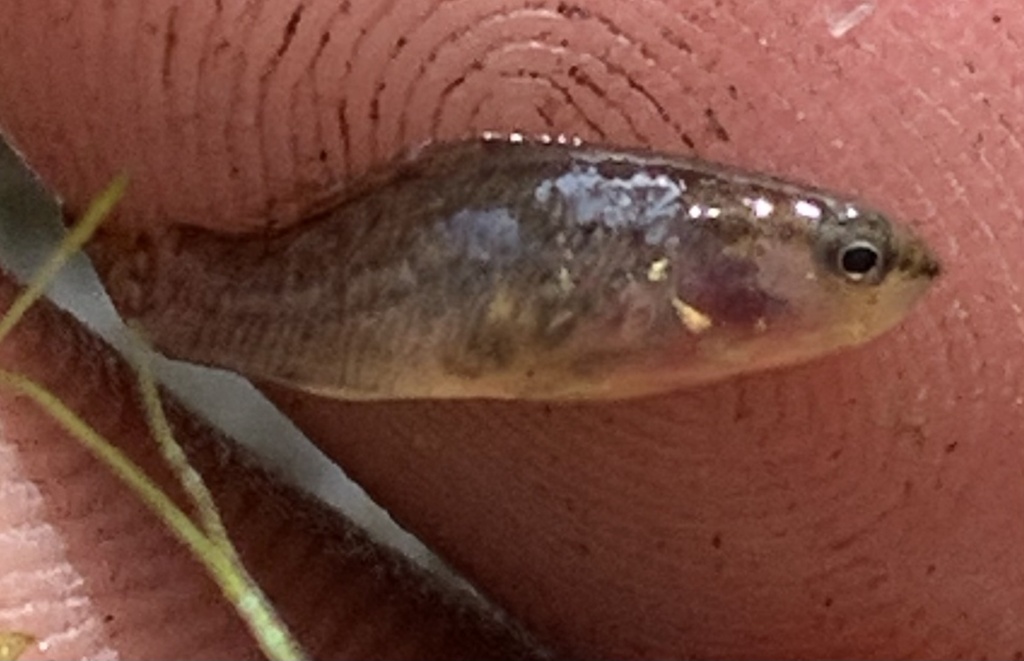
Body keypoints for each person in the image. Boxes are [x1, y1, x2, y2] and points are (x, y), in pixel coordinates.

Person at [1, 1, 1022, 658]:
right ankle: (159, 278)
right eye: (854, 263)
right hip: (416, 281)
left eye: (857, 260)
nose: (886, 282)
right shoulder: (695, 261)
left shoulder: (702, 277)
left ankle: (161, 281)